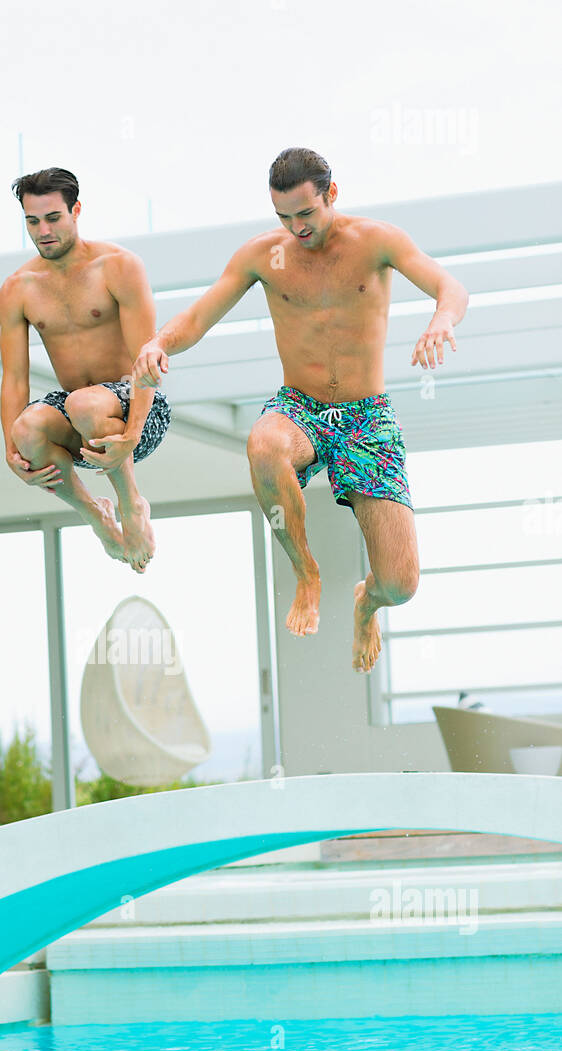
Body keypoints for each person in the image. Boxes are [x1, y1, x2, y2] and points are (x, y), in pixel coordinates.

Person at [132, 148, 469, 671]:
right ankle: (306, 572)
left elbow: (450, 286)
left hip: (366, 416)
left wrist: (441, 321)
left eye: (305, 214)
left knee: (400, 585)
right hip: (300, 408)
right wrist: (160, 344)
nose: (296, 228)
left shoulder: (376, 241)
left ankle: (366, 604)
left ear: (331, 194)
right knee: (264, 445)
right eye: (283, 217)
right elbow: (198, 317)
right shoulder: (263, 255)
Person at [0, 167, 171, 573]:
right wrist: (11, 450)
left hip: (138, 408)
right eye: (32, 221)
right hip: (77, 413)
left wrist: (131, 434)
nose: (43, 231)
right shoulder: (17, 288)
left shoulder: (118, 266)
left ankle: (130, 504)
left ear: (76, 211)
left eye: (53, 218)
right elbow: (15, 379)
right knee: (26, 429)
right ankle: (96, 515)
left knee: (86, 404)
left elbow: (145, 362)